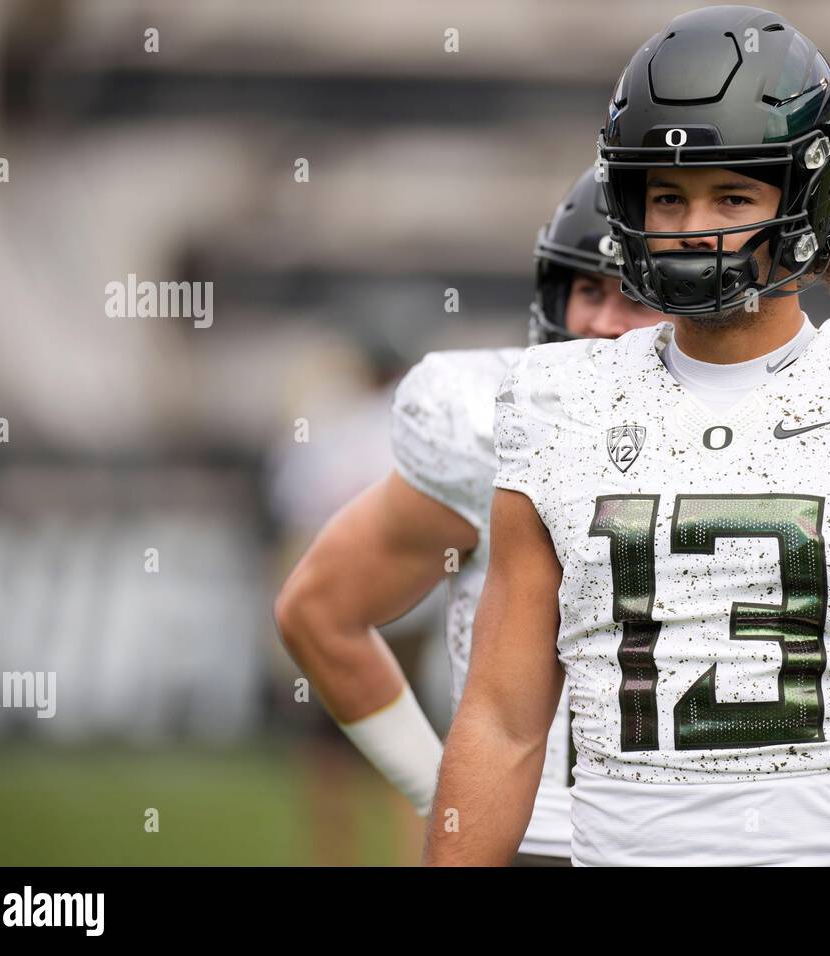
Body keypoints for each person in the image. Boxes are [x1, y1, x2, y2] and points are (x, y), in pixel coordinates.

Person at [426, 5, 830, 867]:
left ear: (806, 197)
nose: (691, 226)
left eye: (732, 195)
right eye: (667, 196)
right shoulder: (559, 401)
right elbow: (503, 719)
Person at [274, 169, 659, 865]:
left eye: (633, 295)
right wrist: (443, 799)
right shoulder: (495, 431)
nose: (604, 323)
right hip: (541, 840)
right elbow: (318, 608)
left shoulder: (799, 427)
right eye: (588, 290)